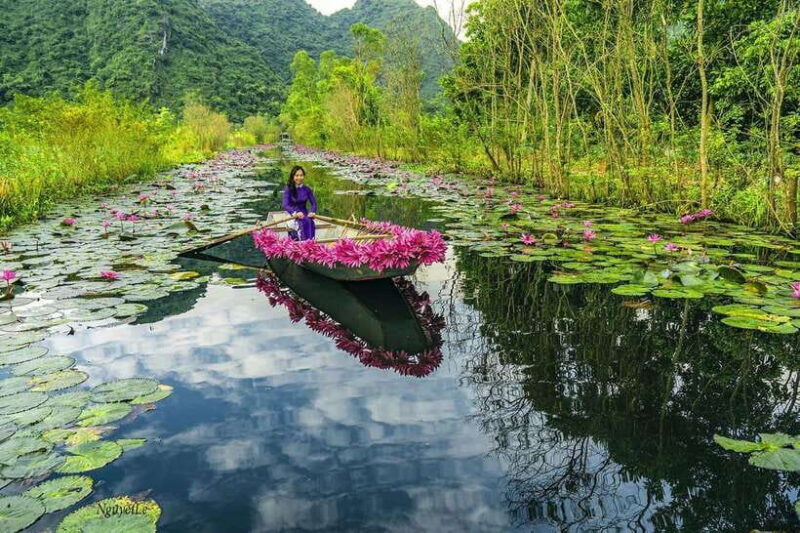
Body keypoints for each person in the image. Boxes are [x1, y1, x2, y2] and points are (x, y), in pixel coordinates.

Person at [282, 165, 317, 241]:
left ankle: (310, 244)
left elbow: (314, 204)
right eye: (297, 175)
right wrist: (295, 213)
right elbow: (285, 205)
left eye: (301, 175)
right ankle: (304, 244)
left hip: (304, 213)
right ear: (293, 177)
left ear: (303, 176)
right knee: (303, 222)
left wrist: (312, 212)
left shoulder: (307, 189)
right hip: (292, 214)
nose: (299, 178)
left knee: (309, 221)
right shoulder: (288, 189)